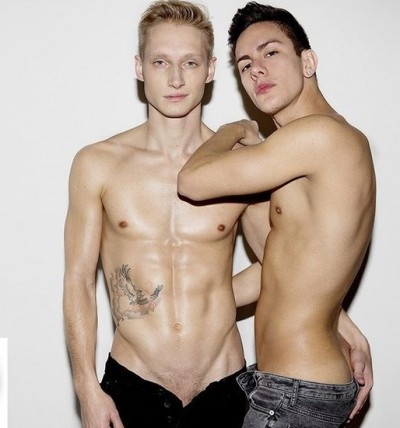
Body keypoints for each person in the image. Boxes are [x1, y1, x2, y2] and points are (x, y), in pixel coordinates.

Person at [63, 1, 373, 427]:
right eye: (160, 62)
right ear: (140, 68)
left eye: (190, 63)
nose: (175, 79)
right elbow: (78, 279)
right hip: (132, 381)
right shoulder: (97, 164)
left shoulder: (241, 166)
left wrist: (341, 322)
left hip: (224, 384)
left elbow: (281, 264)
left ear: (210, 70)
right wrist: (85, 386)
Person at [178, 2, 376, 427]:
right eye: (245, 64)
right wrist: (192, 301)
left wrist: (235, 129)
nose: (257, 71)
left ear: (308, 62)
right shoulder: (308, 152)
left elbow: (192, 181)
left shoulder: (319, 135)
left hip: (294, 392)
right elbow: (283, 267)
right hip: (291, 386)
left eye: (271, 52)